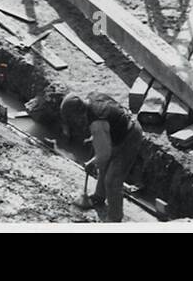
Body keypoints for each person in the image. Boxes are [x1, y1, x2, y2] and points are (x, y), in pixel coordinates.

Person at [59, 91, 144, 222]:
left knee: (112, 180)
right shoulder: (90, 98)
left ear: (78, 113)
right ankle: (99, 196)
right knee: (103, 165)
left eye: (72, 118)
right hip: (119, 130)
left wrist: (92, 162)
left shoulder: (96, 123)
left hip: (130, 136)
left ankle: (114, 219)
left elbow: (105, 154)